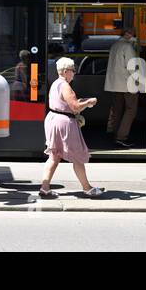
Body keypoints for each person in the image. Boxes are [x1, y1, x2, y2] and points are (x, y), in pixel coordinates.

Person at [40, 56, 103, 198]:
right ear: (66, 71)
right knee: (78, 156)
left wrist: (82, 102)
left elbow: (65, 103)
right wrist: (89, 102)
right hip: (64, 123)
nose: (74, 73)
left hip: (52, 119)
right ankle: (87, 188)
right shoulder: (65, 86)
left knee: (54, 156)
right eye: (73, 70)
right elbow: (74, 107)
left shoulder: (56, 84)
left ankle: (45, 188)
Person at [104, 26, 143, 147]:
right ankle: (122, 137)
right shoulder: (127, 47)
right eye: (133, 33)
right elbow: (132, 67)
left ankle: (116, 134)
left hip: (115, 84)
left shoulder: (115, 45)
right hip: (127, 84)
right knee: (131, 109)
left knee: (117, 109)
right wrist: (141, 81)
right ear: (129, 34)